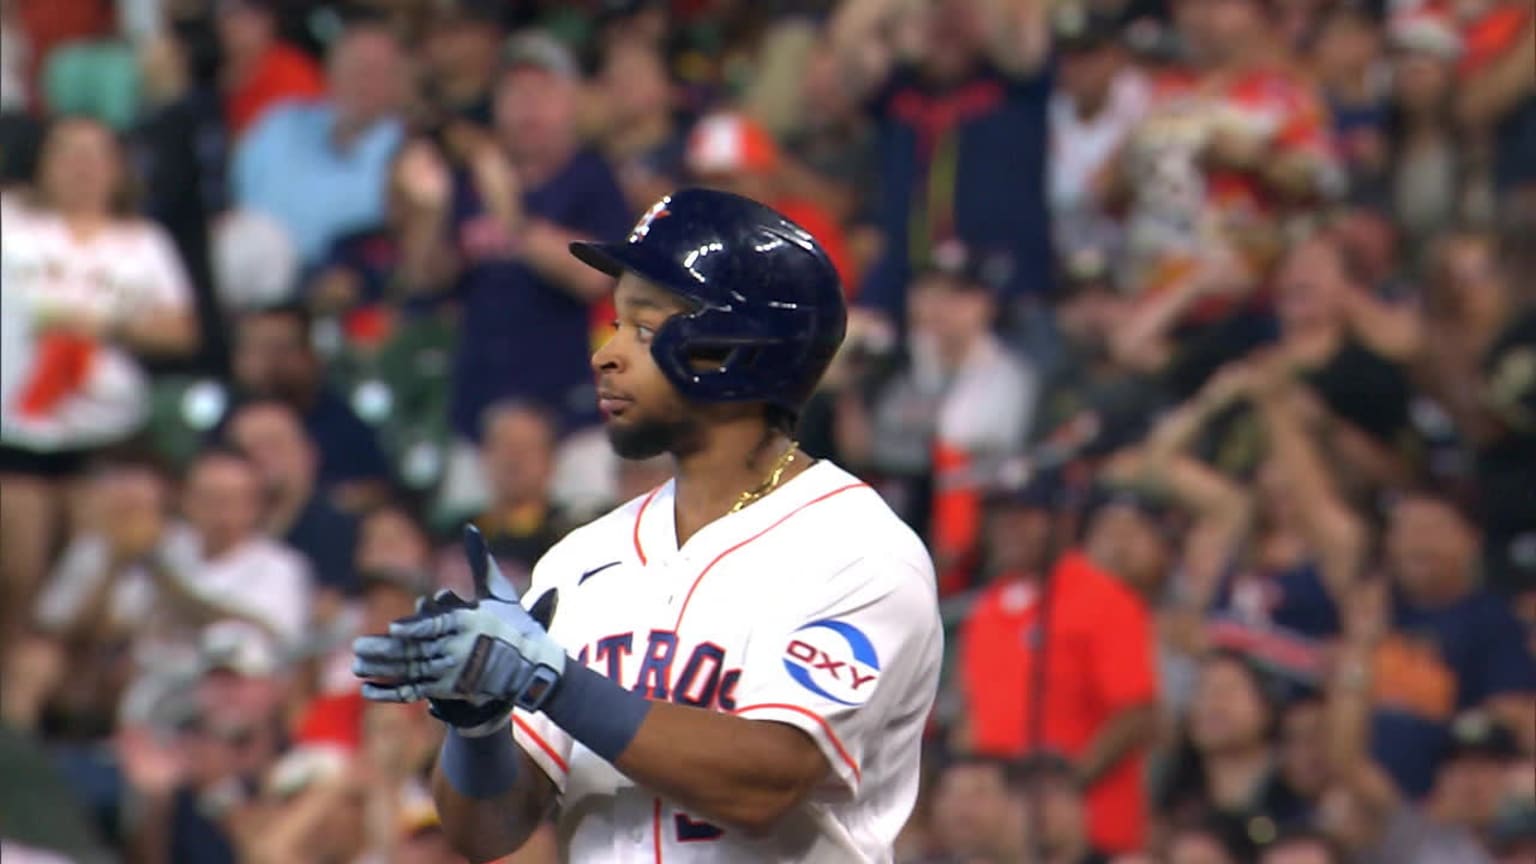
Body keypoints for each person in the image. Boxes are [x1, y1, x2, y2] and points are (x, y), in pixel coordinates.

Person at [353, 189, 943, 861]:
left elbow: (767, 782)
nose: (605, 356)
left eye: (642, 327)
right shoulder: (581, 560)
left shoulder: (858, 551)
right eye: (614, 325)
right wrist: (479, 726)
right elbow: (487, 833)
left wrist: (557, 684)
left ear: (735, 349)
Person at [0, 117, 198, 651]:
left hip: (103, 432)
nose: (81, 167)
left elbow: (181, 329)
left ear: (117, 169)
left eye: (95, 155)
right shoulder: (12, 227)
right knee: (19, 572)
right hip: (18, 428)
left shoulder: (142, 243)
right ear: (43, 165)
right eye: (67, 153)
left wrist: (104, 326)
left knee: (90, 573)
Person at [958, 484, 1161, 855]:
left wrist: (1063, 789)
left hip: (1096, 833)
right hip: (1005, 838)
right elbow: (977, 719)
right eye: (1002, 518)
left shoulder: (1105, 597)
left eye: (1025, 516)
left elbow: (1137, 714)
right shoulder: (985, 609)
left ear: (1062, 522)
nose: (1010, 528)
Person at [232, 20, 407, 265]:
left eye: (375, 72)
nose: (362, 83)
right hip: (252, 276)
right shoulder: (279, 124)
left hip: (350, 284)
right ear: (329, 72)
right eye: (352, 69)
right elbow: (232, 202)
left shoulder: (407, 150)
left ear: (399, 82)